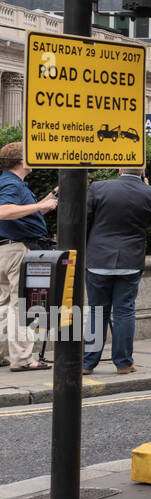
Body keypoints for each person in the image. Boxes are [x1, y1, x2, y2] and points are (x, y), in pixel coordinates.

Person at [82, 167, 151, 375]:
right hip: (130, 259)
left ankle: (87, 363)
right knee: (124, 310)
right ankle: (124, 362)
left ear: (119, 169)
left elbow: (85, 219)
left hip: (98, 258)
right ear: (143, 172)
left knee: (97, 311)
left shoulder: (99, 188)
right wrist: (147, 189)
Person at [0, 141, 58, 372]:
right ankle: (23, 359)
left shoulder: (9, 182)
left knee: (4, 305)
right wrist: (37, 207)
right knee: (20, 305)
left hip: (6, 249)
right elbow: (4, 211)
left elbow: (31, 210)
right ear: (23, 160)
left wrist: (52, 196)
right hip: (17, 250)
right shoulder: (11, 184)